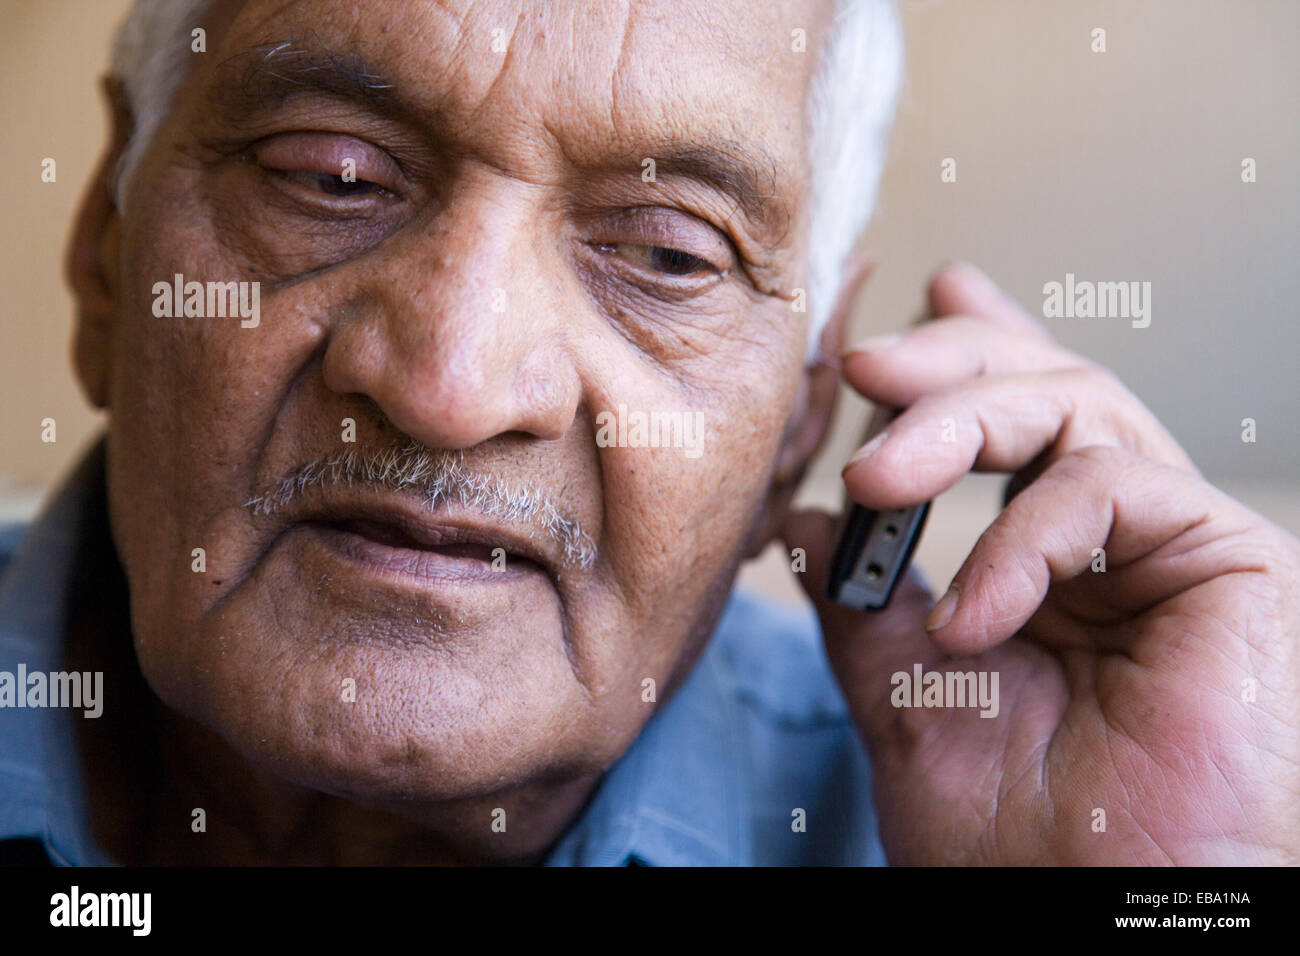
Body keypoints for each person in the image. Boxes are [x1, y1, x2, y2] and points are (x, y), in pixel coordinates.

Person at [1, 0, 1296, 866]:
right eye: (334, 178)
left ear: (804, 407)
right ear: (106, 250)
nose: (454, 386)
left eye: (668, 255)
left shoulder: (972, 824)